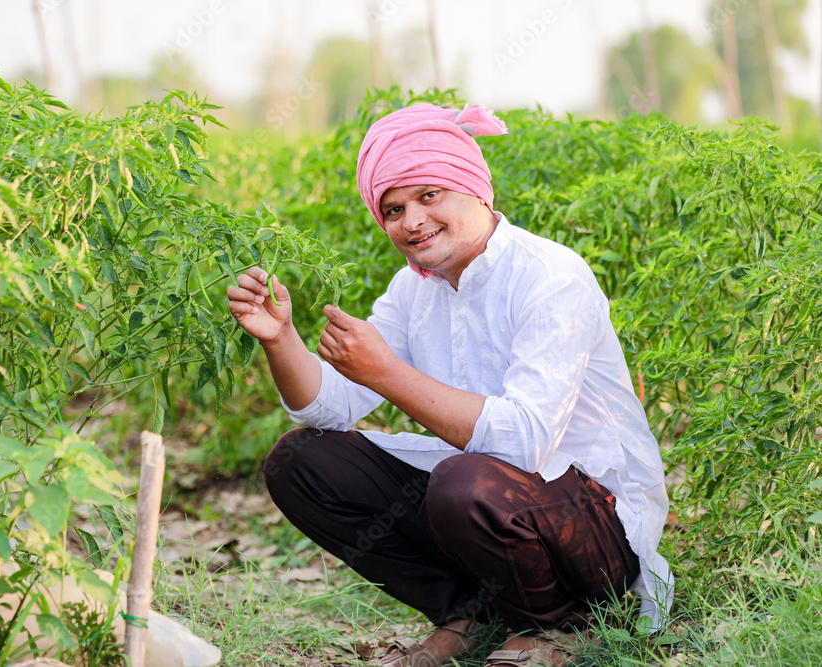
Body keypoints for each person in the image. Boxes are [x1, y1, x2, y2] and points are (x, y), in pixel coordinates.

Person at [227, 103, 673, 667]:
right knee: (303, 462)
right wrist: (280, 337)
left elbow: (525, 442)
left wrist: (388, 373)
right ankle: (470, 613)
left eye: (429, 196)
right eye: (393, 209)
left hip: (597, 528)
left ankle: (561, 625)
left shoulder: (550, 276)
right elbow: (330, 409)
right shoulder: (415, 289)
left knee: (463, 482)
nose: (411, 221)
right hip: (493, 502)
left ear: (475, 188)